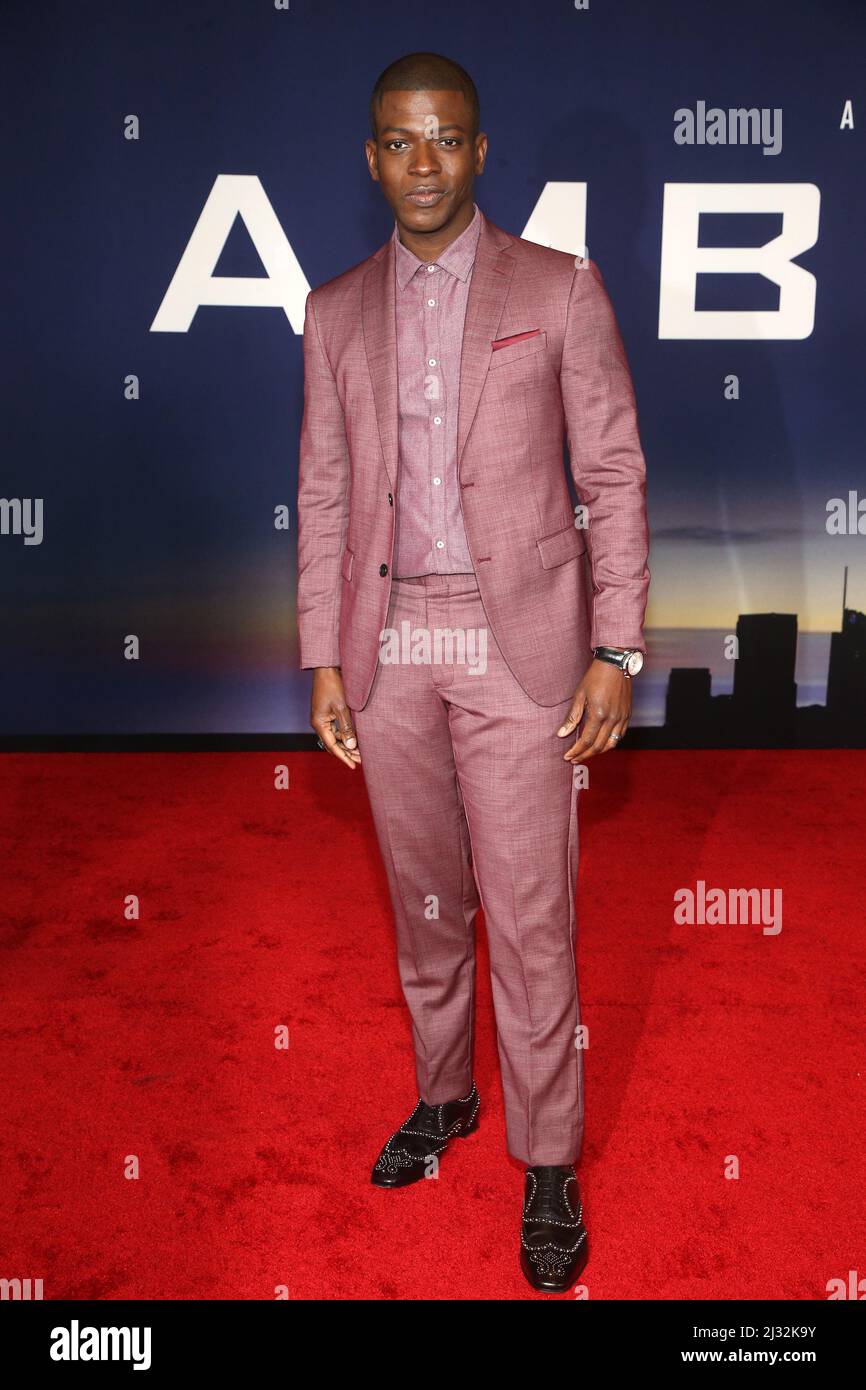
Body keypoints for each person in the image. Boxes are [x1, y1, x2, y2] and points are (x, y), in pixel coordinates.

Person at [296, 50, 649, 1293]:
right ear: (371, 157)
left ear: (480, 150)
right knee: (425, 900)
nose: (424, 161)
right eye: (400, 139)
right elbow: (324, 494)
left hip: (521, 645)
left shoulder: (557, 286)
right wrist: (322, 654)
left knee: (530, 912)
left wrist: (614, 645)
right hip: (388, 645)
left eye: (445, 137)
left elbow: (612, 473)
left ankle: (546, 1159)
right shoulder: (333, 310)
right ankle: (444, 1094)